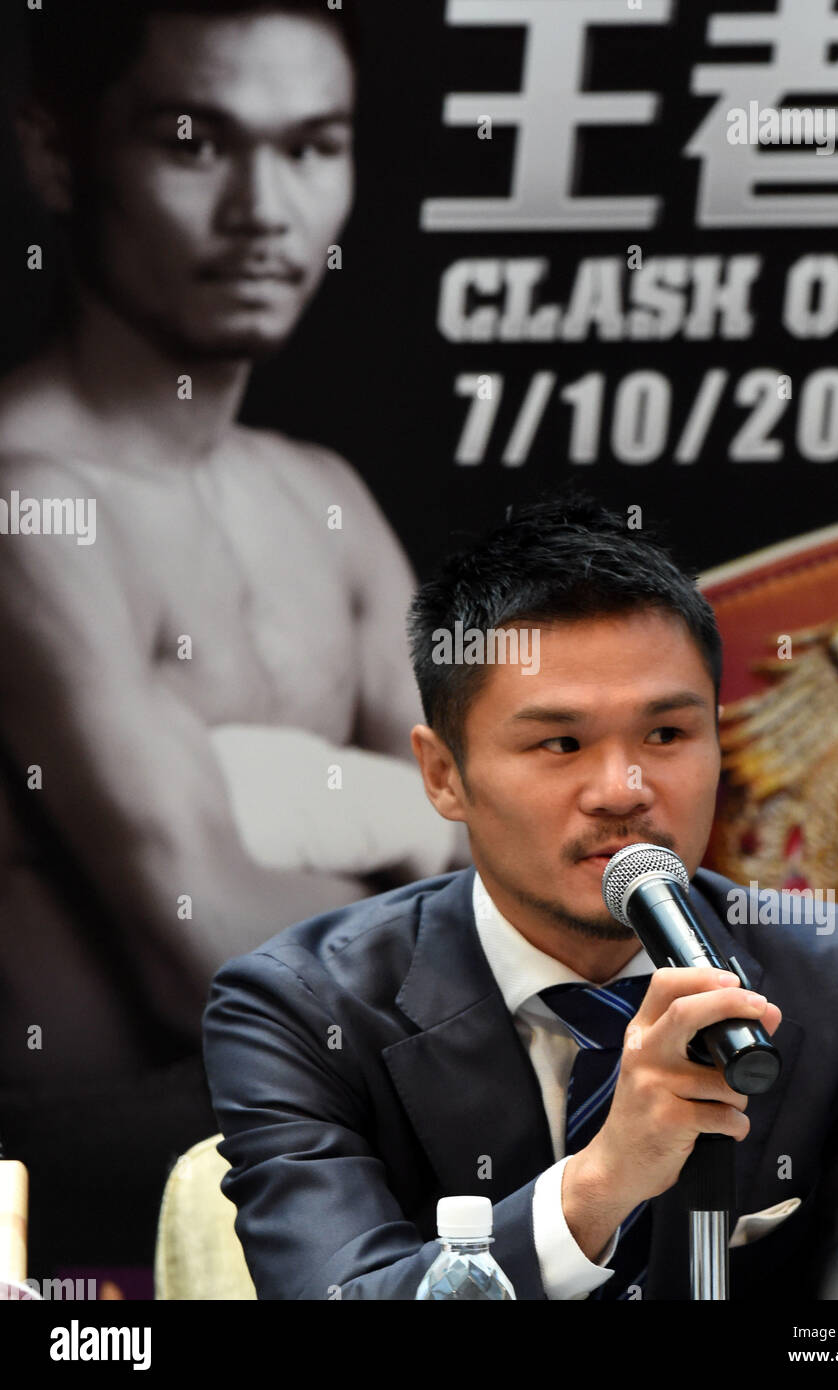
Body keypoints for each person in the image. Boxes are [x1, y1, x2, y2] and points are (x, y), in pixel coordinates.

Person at [203, 495, 838, 1300]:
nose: (622, 791)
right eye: (560, 744)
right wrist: (598, 1184)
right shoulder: (299, 1006)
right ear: (442, 775)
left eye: (666, 735)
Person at [0, 0, 463, 1274]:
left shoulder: (320, 496)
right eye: (197, 140)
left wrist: (351, 816)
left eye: (313, 146)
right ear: (59, 154)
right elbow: (204, 953)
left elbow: (508, 833)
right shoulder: (29, 506)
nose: (266, 207)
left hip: (334, 1206)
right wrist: (415, 844)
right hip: (95, 1234)